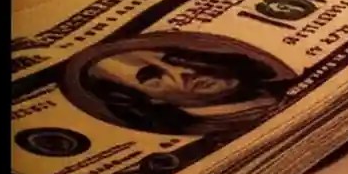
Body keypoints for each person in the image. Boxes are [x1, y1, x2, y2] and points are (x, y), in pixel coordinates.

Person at [71, 42, 290, 136]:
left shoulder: (276, 85)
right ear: (150, 100)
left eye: (175, 60)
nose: (183, 71)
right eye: (153, 77)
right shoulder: (205, 129)